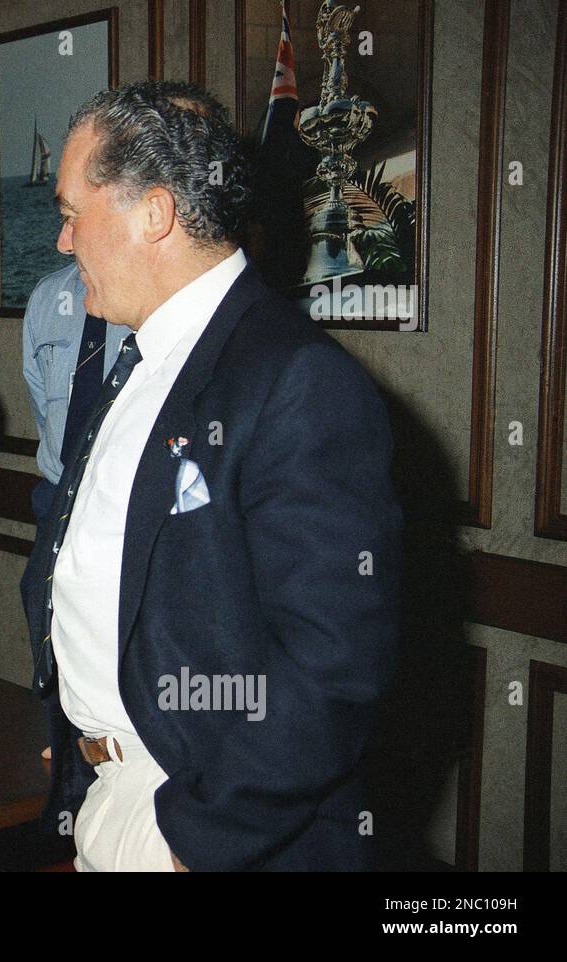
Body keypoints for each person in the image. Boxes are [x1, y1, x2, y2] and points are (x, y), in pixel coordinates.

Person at [20, 81, 401, 871]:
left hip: (202, 823)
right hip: (112, 790)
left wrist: (199, 840)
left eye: (68, 213)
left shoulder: (295, 378)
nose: (61, 244)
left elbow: (335, 665)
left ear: (152, 213)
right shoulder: (142, 354)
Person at [22, 263, 124, 521]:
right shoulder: (49, 294)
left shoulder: (168, 295)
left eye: (74, 221)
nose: (63, 243)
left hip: (128, 502)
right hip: (55, 497)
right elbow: (42, 404)